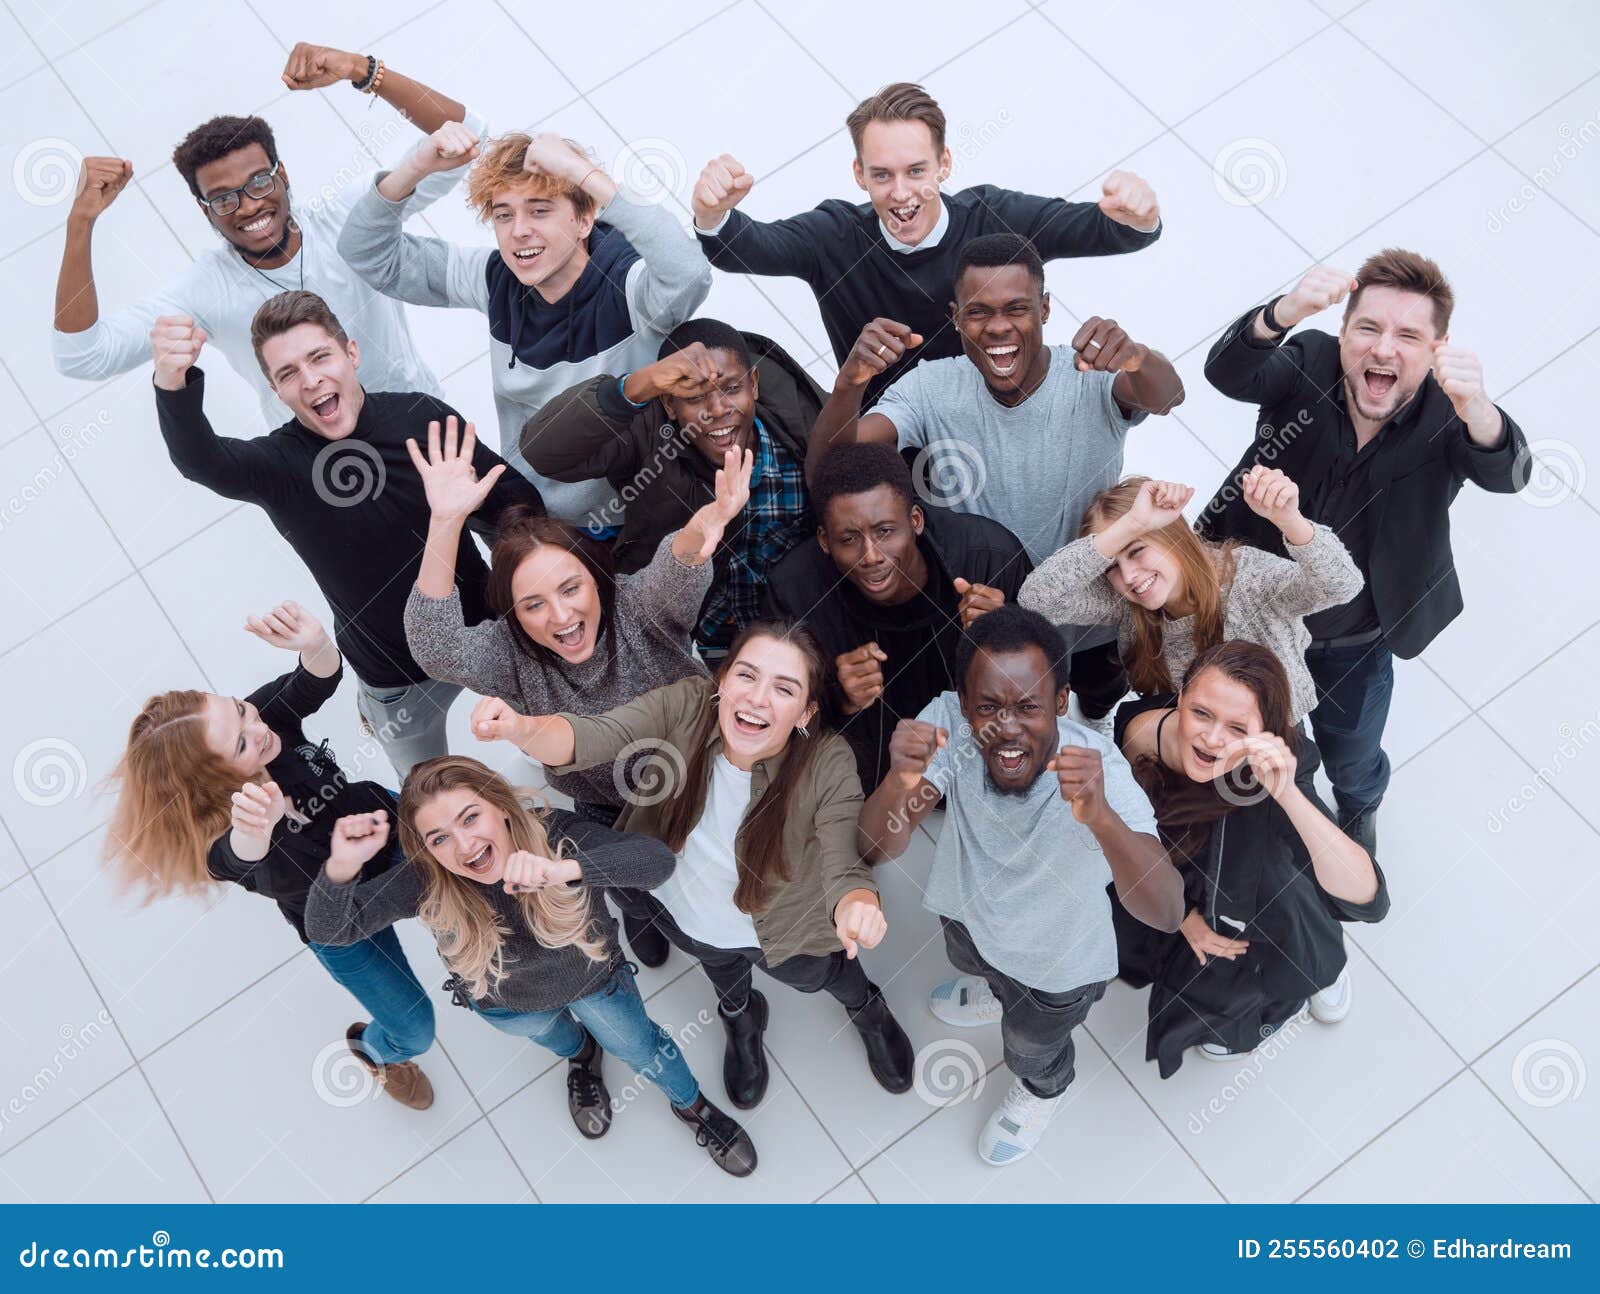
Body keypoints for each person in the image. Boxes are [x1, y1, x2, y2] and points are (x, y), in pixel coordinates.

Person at [469, 620, 916, 1109]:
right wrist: (522, 728)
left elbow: (843, 858)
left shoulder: (828, 760)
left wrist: (857, 903)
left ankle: (868, 1010)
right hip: (684, 912)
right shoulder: (688, 703)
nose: (758, 699)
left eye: (783, 688)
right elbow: (593, 736)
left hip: (785, 929)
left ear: (807, 711)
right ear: (721, 682)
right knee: (721, 969)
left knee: (831, 975)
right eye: (746, 676)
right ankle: (742, 1017)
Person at [1197, 251, 1532, 854]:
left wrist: (1477, 406)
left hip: (1355, 637)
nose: (1384, 350)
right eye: (1369, 329)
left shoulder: (1448, 411)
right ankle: (1262, 815)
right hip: (1254, 618)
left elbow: (1510, 474)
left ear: (1437, 349)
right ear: (1344, 330)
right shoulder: (1310, 360)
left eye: (1409, 336)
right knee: (1252, 731)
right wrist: (1287, 310)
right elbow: (1227, 373)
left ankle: (1357, 810)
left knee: (1352, 752)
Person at [403, 417, 751, 967]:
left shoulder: (638, 605)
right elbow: (433, 643)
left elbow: (678, 562)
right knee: (635, 889)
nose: (561, 617)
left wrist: (706, 523)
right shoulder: (507, 652)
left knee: (717, 898)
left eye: (571, 589)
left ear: (598, 580)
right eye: (534, 604)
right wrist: (446, 521)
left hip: (697, 783)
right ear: (513, 615)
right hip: (607, 809)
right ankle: (640, 912)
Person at [151, 291, 542, 776]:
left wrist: (527, 594)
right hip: (395, 677)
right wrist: (171, 380)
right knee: (430, 793)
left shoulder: (419, 417)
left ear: (351, 353)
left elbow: (512, 508)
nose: (311, 380)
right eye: (288, 373)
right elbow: (200, 459)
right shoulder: (280, 467)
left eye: (320, 357)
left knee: (545, 737)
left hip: (484, 629)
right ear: (277, 391)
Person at [305, 757, 757, 1176]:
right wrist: (341, 866)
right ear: (425, 850)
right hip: (512, 1008)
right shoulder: (426, 879)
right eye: (439, 838)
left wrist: (563, 870)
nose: (464, 845)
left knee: (642, 1050)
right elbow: (330, 930)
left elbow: (656, 864)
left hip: (596, 984)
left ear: (500, 806)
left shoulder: (556, 834)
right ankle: (582, 1058)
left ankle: (691, 1105)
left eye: (470, 817)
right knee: (558, 1039)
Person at [810, 232, 1185, 728]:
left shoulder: (1088, 376)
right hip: (987, 618)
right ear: (955, 316)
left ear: (1045, 309)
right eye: (979, 312)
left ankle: (1092, 718)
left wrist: (1138, 357)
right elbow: (831, 470)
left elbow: (1168, 396)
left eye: (1017, 309)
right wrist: (848, 384)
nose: (998, 327)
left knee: (1096, 704)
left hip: (1098, 618)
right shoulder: (931, 385)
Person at [859, 606, 1183, 1165]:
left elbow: (1168, 912)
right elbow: (874, 849)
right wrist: (901, 778)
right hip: (968, 917)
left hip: (1055, 968)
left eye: (1029, 706)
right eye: (988, 706)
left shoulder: (1095, 764)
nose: (1007, 726)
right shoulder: (948, 728)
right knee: (973, 962)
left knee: (1030, 1049)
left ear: (1062, 702)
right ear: (964, 705)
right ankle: (995, 990)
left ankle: (1042, 1090)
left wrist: (1100, 815)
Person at [104, 600, 436, 1110]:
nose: (259, 730)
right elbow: (235, 859)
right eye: (240, 745)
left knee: (472, 884)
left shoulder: (264, 726)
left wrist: (316, 645)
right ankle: (376, 1052)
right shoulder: (229, 835)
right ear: (217, 784)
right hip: (338, 919)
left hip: (390, 832)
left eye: (239, 708)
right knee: (414, 1030)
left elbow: (313, 681)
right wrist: (258, 830)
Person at [54, 41, 481, 424]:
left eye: (259, 182)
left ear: (284, 176)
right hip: (323, 471)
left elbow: (470, 141)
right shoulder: (207, 289)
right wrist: (80, 223)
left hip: (423, 425)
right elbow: (83, 358)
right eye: (223, 199)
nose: (249, 206)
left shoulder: (348, 218)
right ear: (205, 211)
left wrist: (364, 70)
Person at [691, 81, 1162, 407]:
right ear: (859, 174)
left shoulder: (995, 218)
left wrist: (1139, 216)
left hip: (1004, 414)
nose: (901, 193)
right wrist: (713, 214)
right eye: (882, 175)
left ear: (944, 165)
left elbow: (1099, 228)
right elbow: (749, 246)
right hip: (894, 435)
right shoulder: (833, 235)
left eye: (916, 171)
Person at [337, 122, 711, 525]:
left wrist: (584, 174)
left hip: (637, 518)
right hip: (536, 522)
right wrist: (417, 167)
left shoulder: (629, 284)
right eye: (503, 215)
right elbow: (366, 252)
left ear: (584, 220)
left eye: (539, 210)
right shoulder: (493, 277)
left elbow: (690, 274)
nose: (518, 231)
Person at [1112, 641, 1389, 1077]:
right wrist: (1183, 916)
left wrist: (1287, 794)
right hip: (1172, 871)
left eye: (1237, 728)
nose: (1211, 738)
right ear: (1180, 695)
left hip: (1252, 864)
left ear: (1264, 732)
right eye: (1200, 712)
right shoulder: (1134, 735)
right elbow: (1121, 840)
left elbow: (1370, 899)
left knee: (1287, 920)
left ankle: (1301, 985)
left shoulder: (1272, 769)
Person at [522, 319, 821, 655]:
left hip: (801, 637)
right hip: (688, 642)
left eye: (732, 389)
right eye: (695, 397)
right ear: (669, 405)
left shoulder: (797, 420)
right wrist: (635, 386)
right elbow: (542, 450)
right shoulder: (649, 432)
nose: (718, 410)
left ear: (754, 384)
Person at [767, 441, 1032, 789]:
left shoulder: (990, 557)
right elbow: (770, 716)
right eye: (849, 539)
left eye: (884, 531)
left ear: (916, 520)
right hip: (871, 792)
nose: (871, 555)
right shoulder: (795, 592)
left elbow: (1054, 687)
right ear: (824, 540)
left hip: (988, 780)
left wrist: (1008, 639)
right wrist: (837, 697)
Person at [1019, 472, 1361, 723]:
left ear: (1174, 538)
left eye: (1136, 550)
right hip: (1181, 748)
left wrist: (1290, 519)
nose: (1129, 576)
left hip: (1269, 745)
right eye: (1111, 564)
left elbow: (1342, 584)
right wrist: (1130, 526)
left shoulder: (1248, 578)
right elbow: (1038, 600)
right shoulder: (1125, 601)